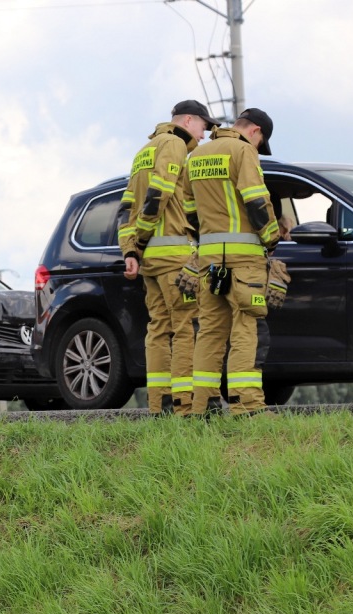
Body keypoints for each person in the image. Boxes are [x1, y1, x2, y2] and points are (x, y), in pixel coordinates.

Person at [118, 99, 218, 415]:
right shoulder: (174, 144)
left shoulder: (143, 152)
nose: (203, 135)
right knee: (186, 326)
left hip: (149, 261)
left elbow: (125, 208)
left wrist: (131, 250)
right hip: (174, 257)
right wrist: (144, 236)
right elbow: (157, 194)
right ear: (188, 120)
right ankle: (184, 404)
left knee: (158, 329)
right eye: (203, 126)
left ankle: (159, 403)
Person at [184, 108, 280, 416]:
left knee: (210, 330)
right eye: (259, 141)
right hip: (244, 259)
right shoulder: (243, 151)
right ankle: (246, 404)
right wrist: (272, 237)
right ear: (255, 131)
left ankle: (203, 405)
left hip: (209, 260)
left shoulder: (197, 156)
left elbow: (188, 208)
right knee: (245, 326)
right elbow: (255, 199)